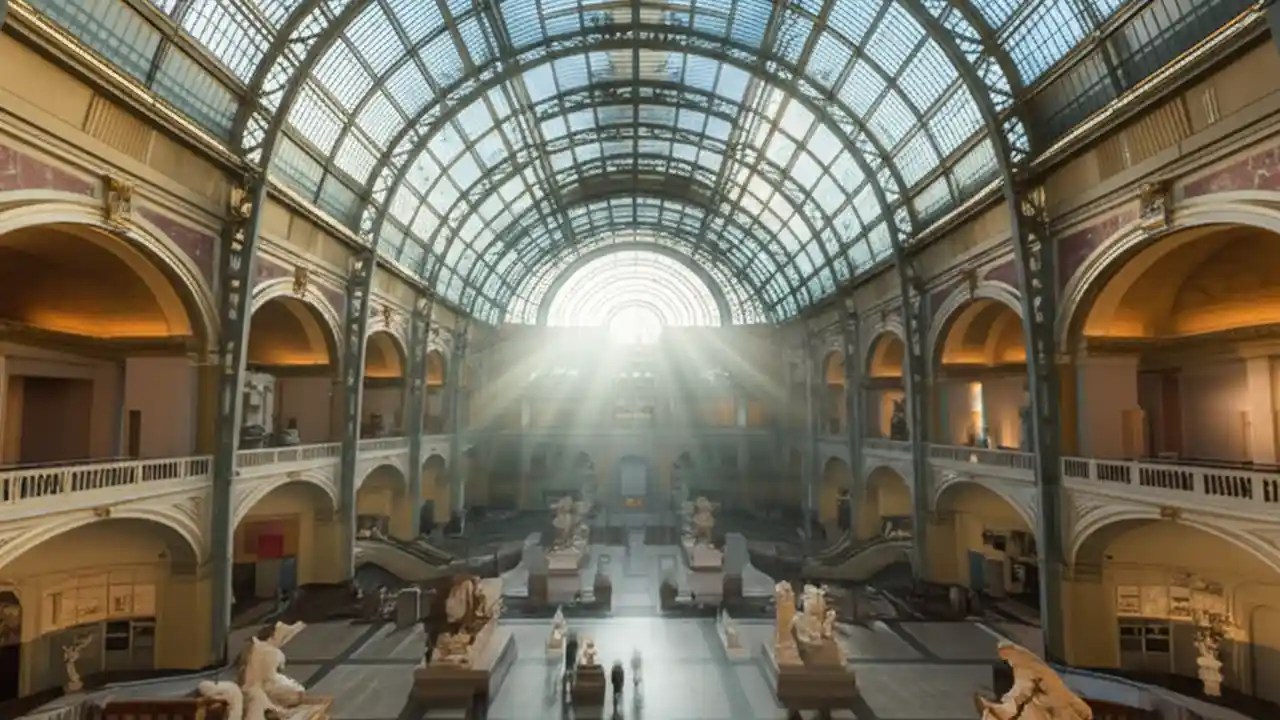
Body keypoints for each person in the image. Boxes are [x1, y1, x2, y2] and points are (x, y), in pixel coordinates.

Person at [563, 631, 579, 697]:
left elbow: (570, 656)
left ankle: (567, 689)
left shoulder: (569, 646)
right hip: (570, 664)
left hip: (569, 664)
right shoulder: (573, 645)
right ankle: (571, 689)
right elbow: (572, 656)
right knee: (570, 675)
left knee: (568, 675)